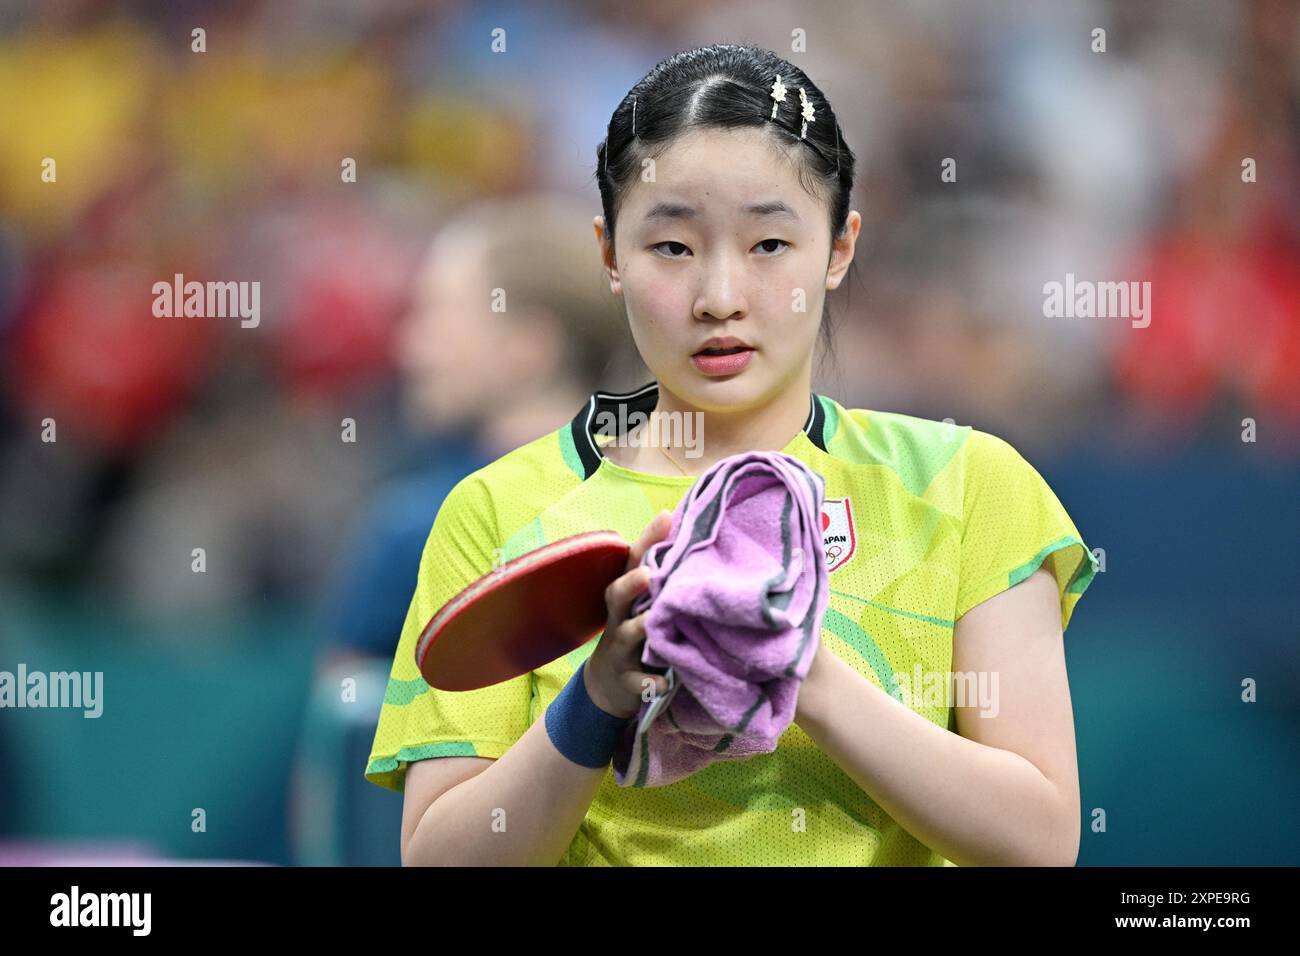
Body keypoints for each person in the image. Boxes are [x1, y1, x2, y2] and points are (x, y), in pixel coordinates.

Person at [365, 44, 1100, 866]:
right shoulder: (496, 509)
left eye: (769, 245)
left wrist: (801, 678)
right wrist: (599, 695)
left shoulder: (971, 487)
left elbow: (1042, 842)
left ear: (840, 247)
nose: (720, 298)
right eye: (672, 248)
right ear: (610, 254)